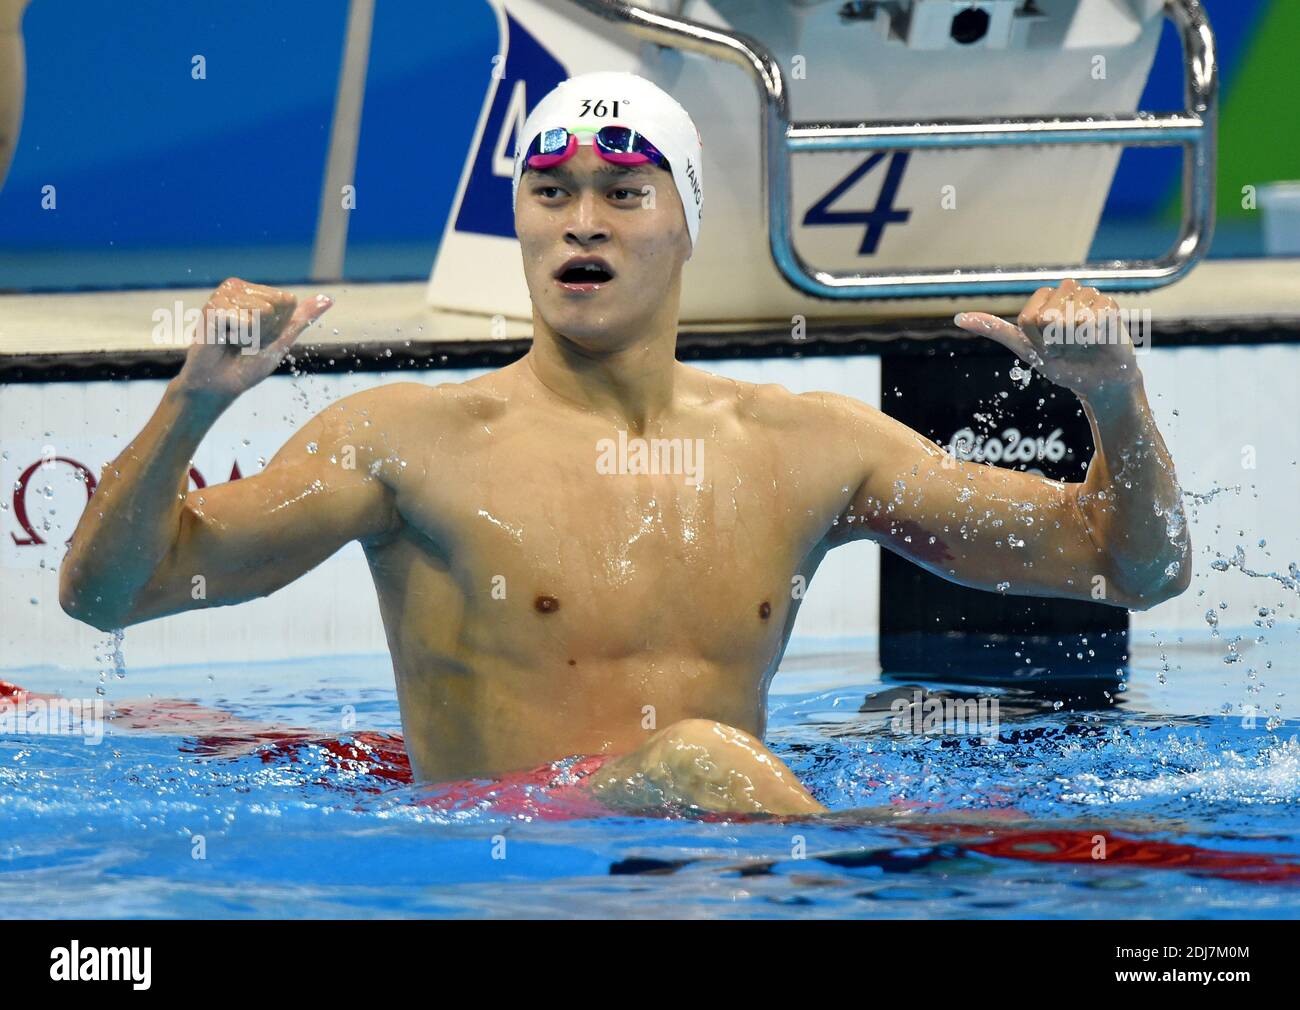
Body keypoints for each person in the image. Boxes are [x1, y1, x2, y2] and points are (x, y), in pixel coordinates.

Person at [58, 71, 1191, 816]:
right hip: (490, 861)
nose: (581, 220)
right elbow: (111, 594)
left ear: (687, 220)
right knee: (704, 758)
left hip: (712, 863)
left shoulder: (803, 447)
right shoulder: (403, 441)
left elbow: (1132, 567)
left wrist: (1114, 396)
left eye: (622, 191)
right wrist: (194, 403)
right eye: (548, 192)